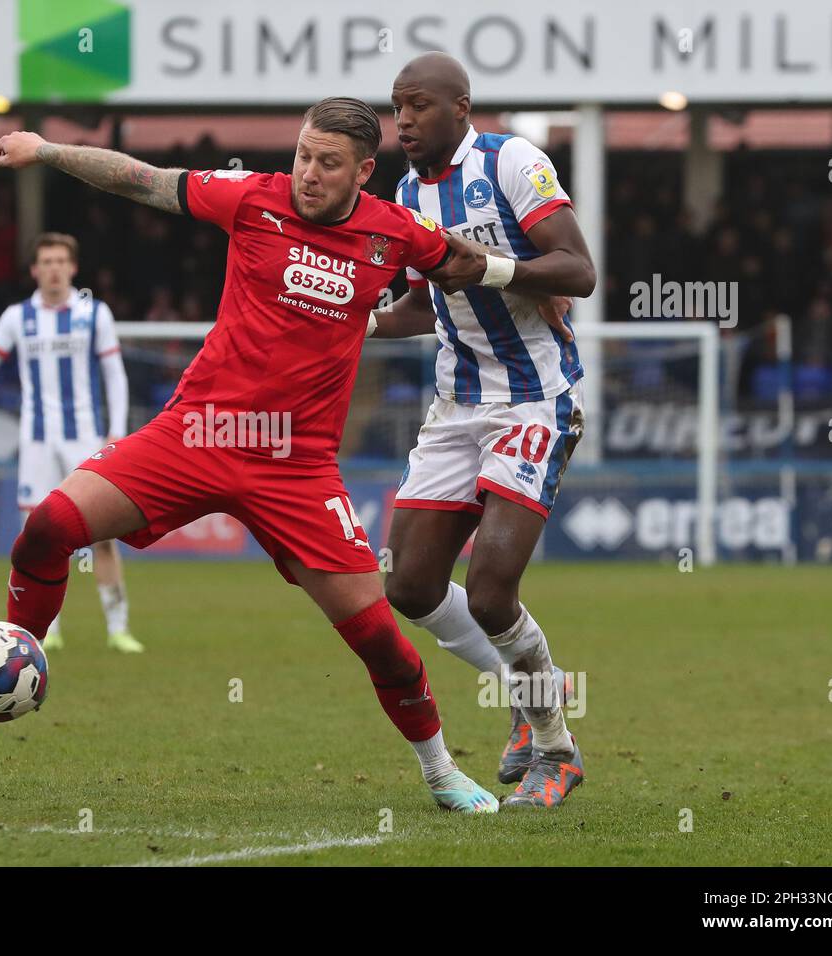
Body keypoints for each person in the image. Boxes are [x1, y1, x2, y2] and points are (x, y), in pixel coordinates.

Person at [0, 96, 519, 815]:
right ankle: (1, 678)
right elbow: (139, 178)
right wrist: (49, 151)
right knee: (50, 527)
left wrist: (529, 287)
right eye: (303, 155)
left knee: (380, 640)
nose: (308, 173)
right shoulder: (251, 199)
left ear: (364, 171)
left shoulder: (394, 232)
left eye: (328, 163)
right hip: (197, 434)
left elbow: (460, 262)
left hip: (297, 466)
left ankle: (440, 772)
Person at [373, 53, 596, 808]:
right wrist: (349, 318)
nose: (403, 121)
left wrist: (494, 268)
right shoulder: (405, 193)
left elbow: (578, 270)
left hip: (533, 400)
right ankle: (528, 696)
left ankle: (556, 750)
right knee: (408, 584)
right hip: (456, 405)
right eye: (396, 108)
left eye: (419, 106)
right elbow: (419, 306)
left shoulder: (511, 162)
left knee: (495, 590)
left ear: (461, 107)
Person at [0, 233, 142, 653]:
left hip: (85, 439)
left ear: (73, 268)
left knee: (103, 536)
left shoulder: (94, 313)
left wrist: (117, 430)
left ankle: (118, 627)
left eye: (60, 261)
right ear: (35, 270)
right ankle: (46, 630)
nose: (54, 268)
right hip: (36, 444)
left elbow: (115, 374)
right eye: (46, 261)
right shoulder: (18, 317)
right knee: (36, 538)